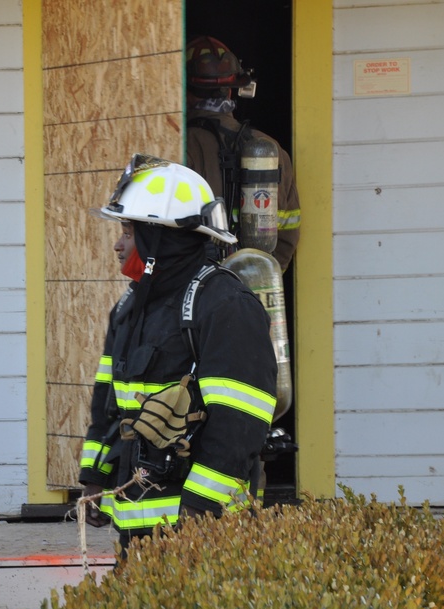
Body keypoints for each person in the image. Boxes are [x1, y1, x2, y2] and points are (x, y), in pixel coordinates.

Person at [77, 155, 277, 547]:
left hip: (206, 534)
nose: (118, 245)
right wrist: (93, 481)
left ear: (160, 238)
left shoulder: (223, 303)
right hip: (136, 530)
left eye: (129, 233)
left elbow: (240, 422)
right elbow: (109, 407)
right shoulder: (130, 308)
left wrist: (201, 512)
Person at [185, 35, 301, 272]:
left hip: (199, 290)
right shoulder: (270, 148)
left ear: (184, 90)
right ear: (231, 91)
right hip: (255, 291)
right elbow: (288, 231)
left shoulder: (178, 148)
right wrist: (258, 281)